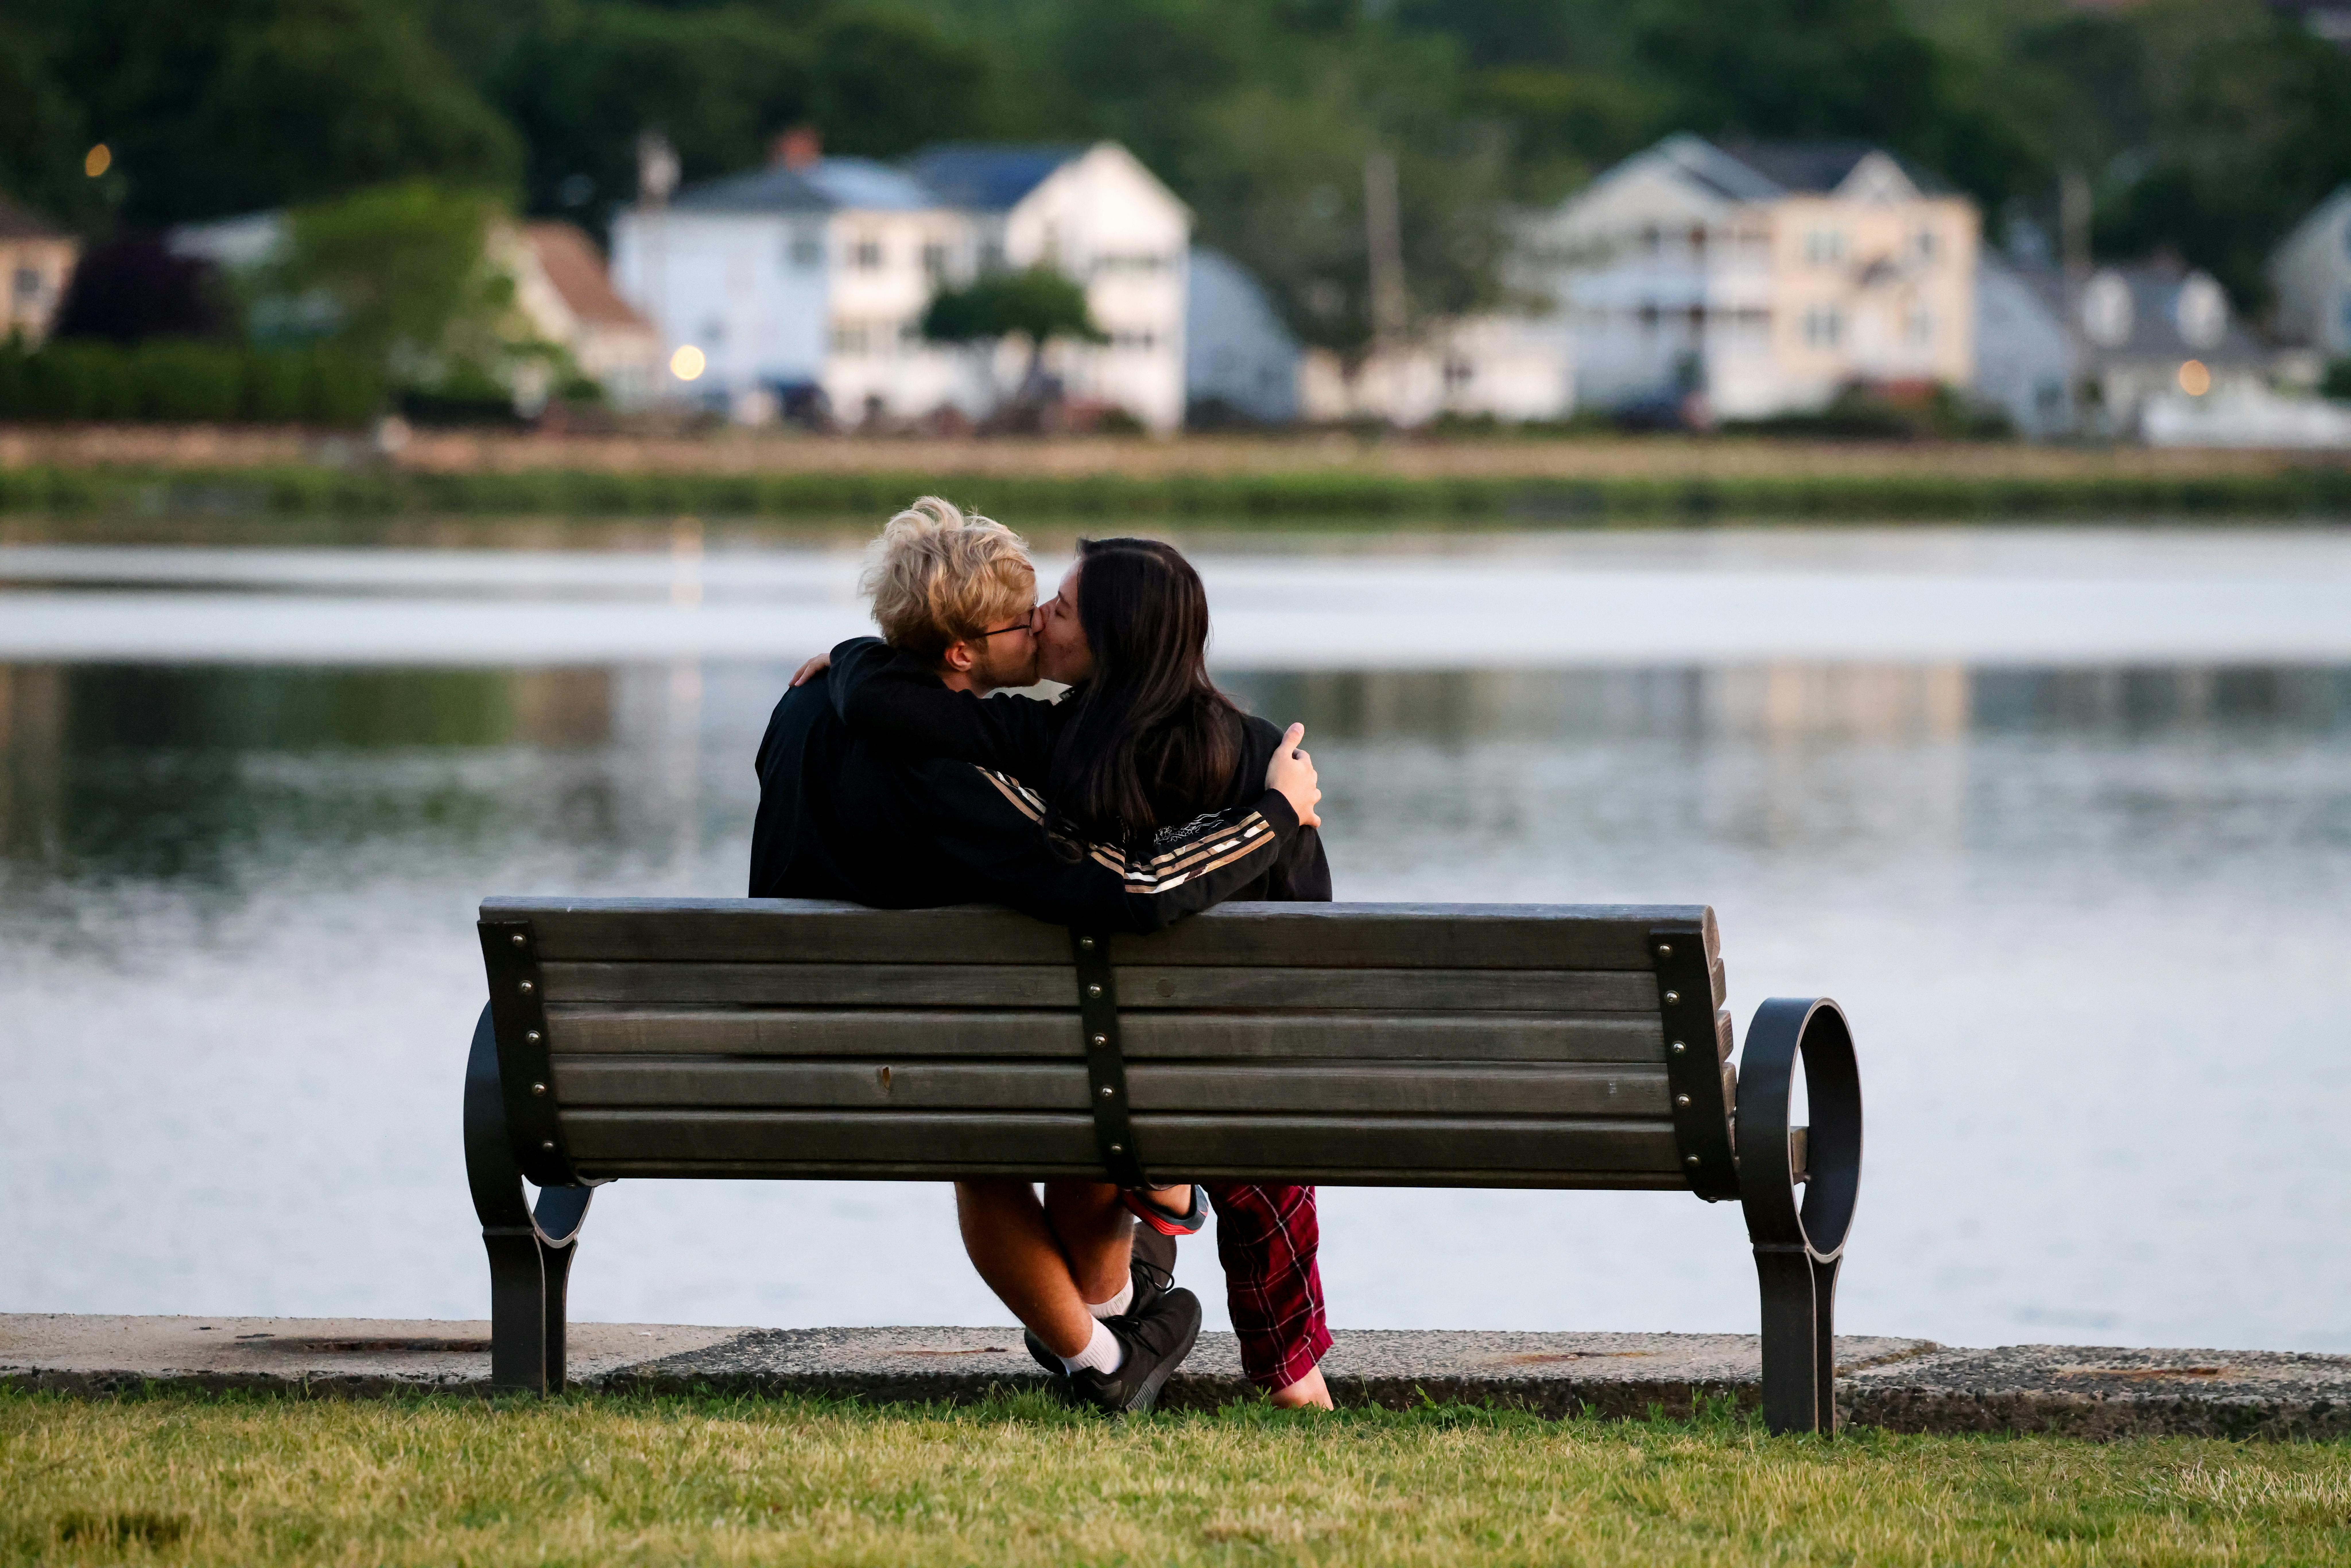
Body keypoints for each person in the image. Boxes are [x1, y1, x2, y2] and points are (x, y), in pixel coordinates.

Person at [750, 498, 1323, 1414]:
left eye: (1055, 609)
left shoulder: (800, 708)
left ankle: (1123, 1312)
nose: (1042, 627)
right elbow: (1132, 887)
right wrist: (1273, 817)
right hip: (940, 1058)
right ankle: (1111, 1343)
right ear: (961, 654)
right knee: (1049, 1112)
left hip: (799, 1046)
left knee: (1036, 1114)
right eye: (1028, 617)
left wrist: (856, 657)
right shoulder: (968, 775)